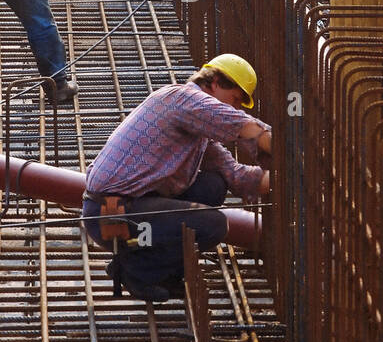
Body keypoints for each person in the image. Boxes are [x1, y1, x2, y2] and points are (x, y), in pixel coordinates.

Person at [82, 54, 272, 303]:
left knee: (213, 186)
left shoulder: (196, 129)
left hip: (129, 215)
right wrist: (289, 150)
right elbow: (242, 126)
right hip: (108, 217)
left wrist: (283, 178)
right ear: (214, 82)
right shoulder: (182, 99)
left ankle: (155, 270)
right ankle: (136, 271)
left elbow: (236, 176)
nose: (234, 108)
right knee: (213, 224)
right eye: (235, 99)